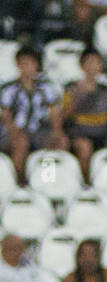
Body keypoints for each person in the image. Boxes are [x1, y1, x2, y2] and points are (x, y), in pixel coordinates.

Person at [61, 48, 107, 181]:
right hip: (80, 133)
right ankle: (87, 183)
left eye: (96, 63)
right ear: (82, 66)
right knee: (85, 147)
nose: (92, 67)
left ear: (101, 66)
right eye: (89, 63)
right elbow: (64, 116)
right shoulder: (71, 87)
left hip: (104, 133)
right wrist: (77, 96)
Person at [0, 46, 68, 187]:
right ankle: (19, 182)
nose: (27, 68)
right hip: (13, 132)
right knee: (21, 143)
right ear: (18, 65)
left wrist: (57, 132)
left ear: (36, 65)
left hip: (38, 131)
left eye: (30, 64)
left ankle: (47, 182)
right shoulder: (9, 88)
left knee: (58, 142)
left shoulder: (46, 87)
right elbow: (5, 115)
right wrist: (13, 132)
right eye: (23, 64)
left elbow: (54, 112)